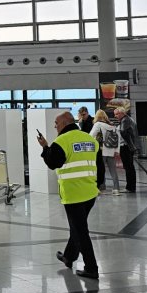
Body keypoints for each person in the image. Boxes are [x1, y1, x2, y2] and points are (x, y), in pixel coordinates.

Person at [36, 110, 100, 280]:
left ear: (64, 123)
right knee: (77, 227)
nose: (55, 126)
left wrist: (45, 147)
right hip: (90, 192)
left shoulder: (61, 141)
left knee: (81, 230)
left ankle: (91, 268)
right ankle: (69, 256)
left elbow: (52, 163)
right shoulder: (89, 139)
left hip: (73, 194)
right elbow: (99, 165)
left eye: (56, 123)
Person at [89, 110, 120, 192]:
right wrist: (117, 150)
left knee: (100, 169)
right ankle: (116, 187)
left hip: (101, 151)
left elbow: (90, 136)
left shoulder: (98, 124)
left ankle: (102, 185)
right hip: (111, 150)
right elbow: (118, 138)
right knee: (113, 170)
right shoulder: (112, 126)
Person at [114, 107, 140, 192]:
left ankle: (130, 187)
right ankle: (130, 187)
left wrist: (128, 143)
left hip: (126, 146)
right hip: (129, 146)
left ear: (122, 113)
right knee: (130, 167)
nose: (115, 116)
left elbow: (123, 132)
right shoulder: (129, 119)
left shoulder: (125, 120)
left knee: (128, 167)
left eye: (117, 114)